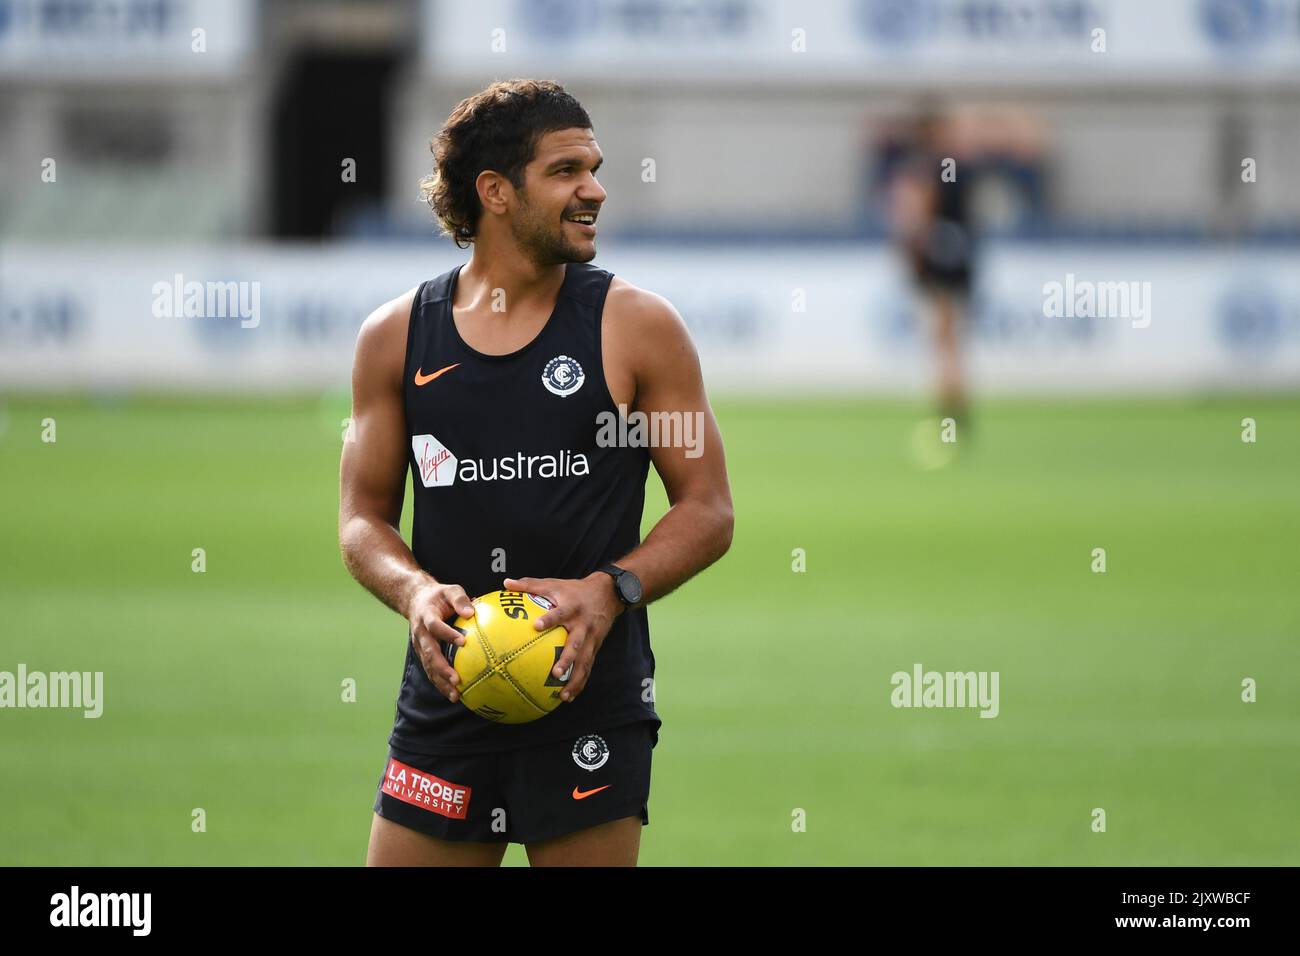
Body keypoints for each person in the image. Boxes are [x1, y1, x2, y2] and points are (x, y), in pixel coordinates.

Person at [338, 79, 734, 866]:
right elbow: (362, 520)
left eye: (594, 167)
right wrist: (417, 593)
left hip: (589, 695)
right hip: (450, 690)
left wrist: (607, 590)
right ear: (495, 191)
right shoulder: (394, 339)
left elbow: (708, 509)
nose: (596, 189)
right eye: (566, 171)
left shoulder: (639, 327)